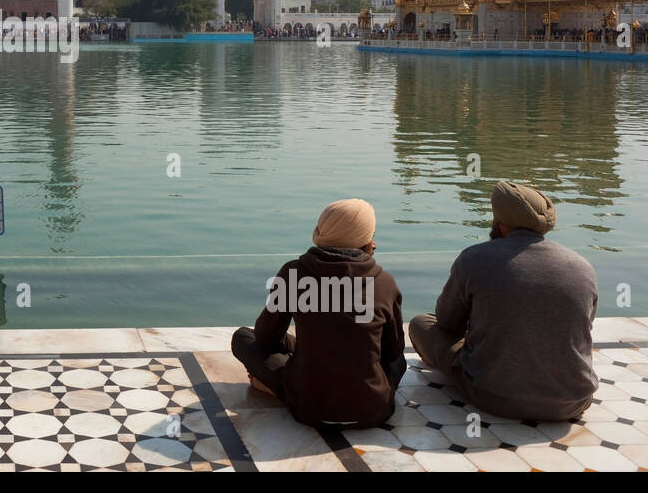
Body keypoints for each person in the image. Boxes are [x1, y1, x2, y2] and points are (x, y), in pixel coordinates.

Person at [409, 181, 597, 422]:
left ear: (501, 223)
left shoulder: (475, 258)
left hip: (495, 396)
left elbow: (447, 323)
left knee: (420, 324)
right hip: (572, 401)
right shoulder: (582, 266)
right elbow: (582, 329)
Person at [232, 198, 406, 429]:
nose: (373, 242)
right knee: (397, 361)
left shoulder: (293, 272)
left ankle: (274, 387)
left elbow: (265, 337)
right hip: (374, 409)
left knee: (243, 338)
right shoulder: (384, 282)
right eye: (370, 235)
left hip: (308, 407)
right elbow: (393, 351)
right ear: (364, 240)